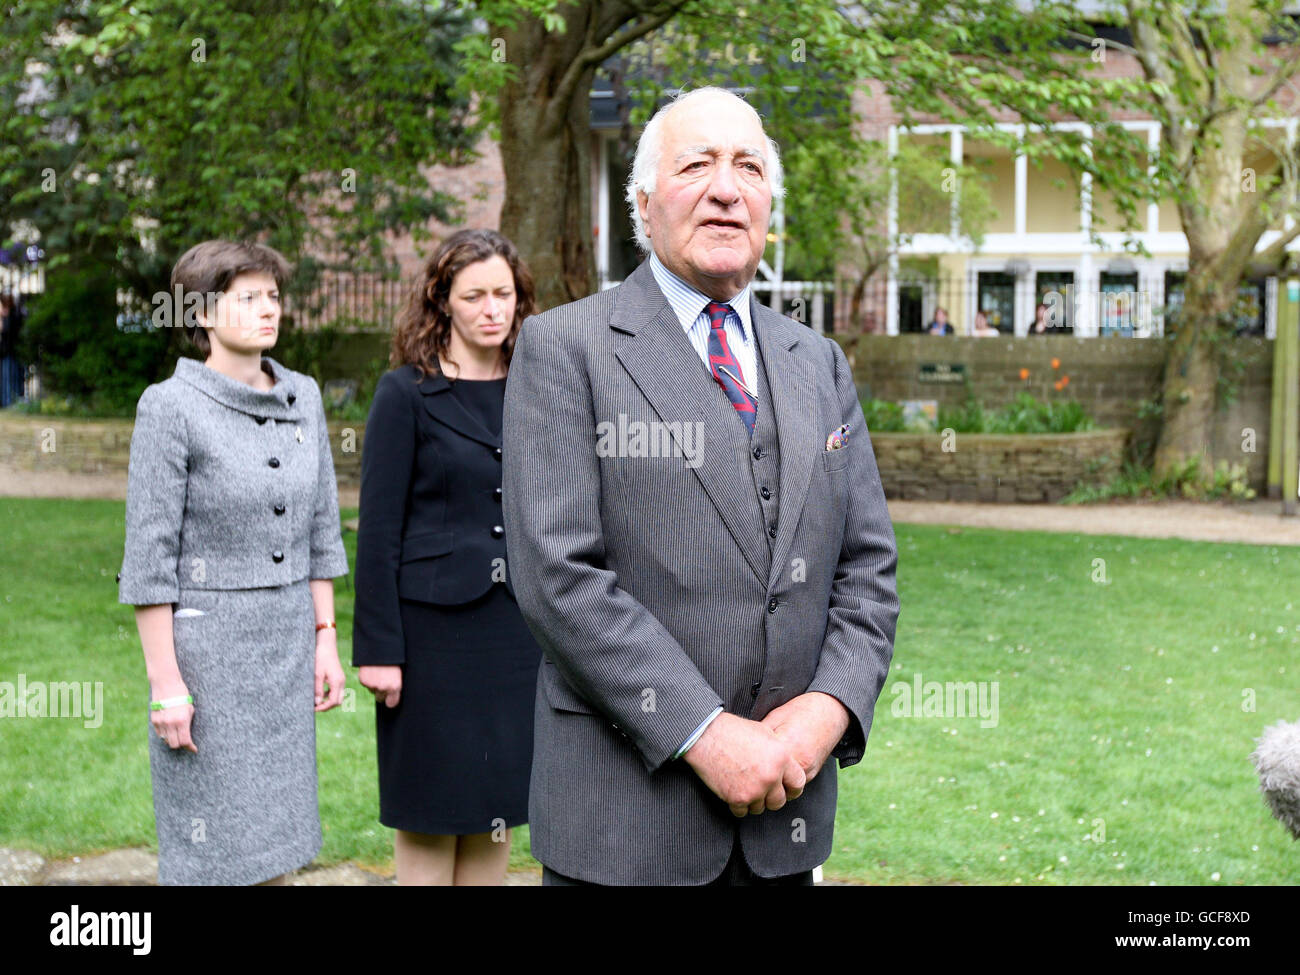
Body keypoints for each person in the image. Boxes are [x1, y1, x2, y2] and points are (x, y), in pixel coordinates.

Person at [502, 86, 900, 886]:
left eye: (749, 167)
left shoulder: (815, 361)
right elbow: (559, 579)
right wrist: (707, 734)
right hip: (625, 833)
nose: (727, 187)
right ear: (644, 205)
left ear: (767, 207)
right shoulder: (565, 349)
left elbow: (868, 571)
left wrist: (825, 713)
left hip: (786, 820)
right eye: (699, 165)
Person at [118, 240, 350, 885]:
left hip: (284, 653)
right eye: (246, 298)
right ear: (202, 313)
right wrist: (167, 685)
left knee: (278, 851)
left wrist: (324, 641)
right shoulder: (169, 407)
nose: (267, 309)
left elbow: (321, 532)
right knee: (214, 856)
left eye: (272, 296)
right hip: (208, 661)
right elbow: (148, 560)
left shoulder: (303, 394)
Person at [351, 229, 543, 885]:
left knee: (495, 813)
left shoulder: (537, 389)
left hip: (514, 636)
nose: (493, 308)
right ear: (443, 302)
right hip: (428, 640)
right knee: (431, 815)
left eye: (504, 294)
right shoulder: (405, 393)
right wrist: (379, 647)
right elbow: (378, 529)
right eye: (475, 295)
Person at [0, 292, 24, 407]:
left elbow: (7, 333)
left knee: (10, 379)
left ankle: (9, 403)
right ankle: (9, 402)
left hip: (9, 352)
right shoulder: (12, 316)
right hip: (7, 353)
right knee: (8, 379)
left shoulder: (12, 317)